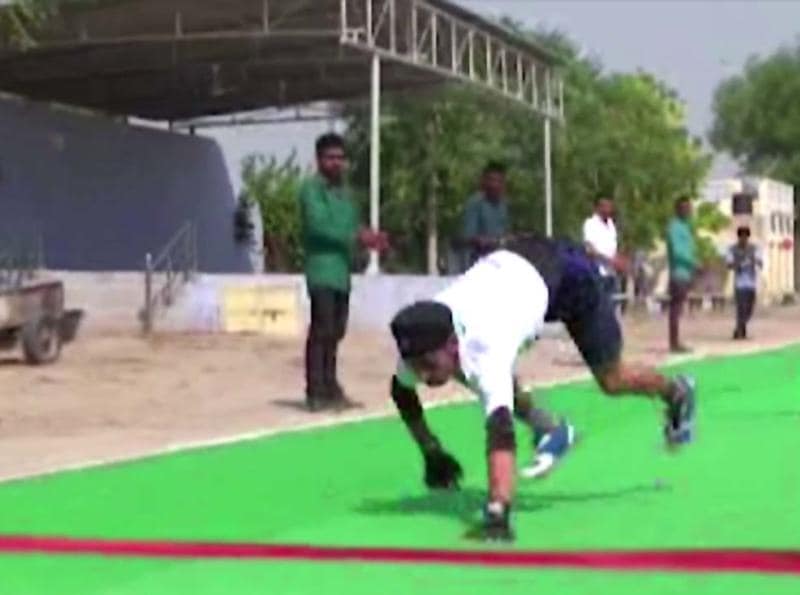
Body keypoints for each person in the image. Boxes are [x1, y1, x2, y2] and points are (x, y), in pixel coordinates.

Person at [388, 234, 697, 542]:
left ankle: (676, 392)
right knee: (465, 375)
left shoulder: (486, 349)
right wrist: (431, 450)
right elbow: (401, 391)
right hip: (521, 268)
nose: (424, 375)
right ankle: (550, 428)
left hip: (569, 276)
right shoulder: (423, 339)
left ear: (454, 344)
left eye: (428, 365)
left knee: (612, 380)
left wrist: (498, 511)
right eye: (416, 367)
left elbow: (500, 432)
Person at [299, 133, 388, 412]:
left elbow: (353, 226)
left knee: (336, 331)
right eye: (330, 158)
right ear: (319, 160)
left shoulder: (346, 195)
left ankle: (330, 386)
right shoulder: (310, 190)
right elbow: (318, 226)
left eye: (340, 158)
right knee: (322, 330)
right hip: (321, 269)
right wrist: (356, 237)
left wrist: (371, 237)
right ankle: (316, 391)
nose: (336, 163)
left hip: (341, 273)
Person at [461, 161, 510, 267]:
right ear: (484, 181)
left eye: (499, 181)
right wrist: (487, 241)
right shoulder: (475, 203)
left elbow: (507, 233)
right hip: (479, 260)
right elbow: (468, 236)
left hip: (502, 259)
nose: (495, 185)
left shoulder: (504, 205)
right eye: (491, 180)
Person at [666, 197, 697, 353]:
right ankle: (674, 342)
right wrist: (692, 262)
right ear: (678, 209)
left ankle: (676, 341)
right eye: (685, 208)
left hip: (686, 274)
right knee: (676, 308)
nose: (688, 211)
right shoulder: (674, 227)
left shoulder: (686, 227)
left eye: (689, 208)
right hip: (678, 273)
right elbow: (677, 252)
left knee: (679, 308)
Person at [583, 194, 626, 296]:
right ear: (597, 207)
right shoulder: (590, 224)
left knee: (614, 304)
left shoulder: (611, 224)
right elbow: (589, 249)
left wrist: (620, 261)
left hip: (612, 273)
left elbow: (613, 247)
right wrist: (609, 261)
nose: (607, 209)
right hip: (598, 273)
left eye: (609, 206)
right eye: (604, 206)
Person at [726, 226, 762, 340]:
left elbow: (760, 262)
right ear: (738, 237)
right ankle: (740, 330)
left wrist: (756, 261)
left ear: (748, 237)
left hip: (751, 283)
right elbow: (729, 264)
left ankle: (741, 327)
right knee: (741, 308)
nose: (744, 239)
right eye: (741, 237)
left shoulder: (754, 248)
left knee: (749, 309)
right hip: (739, 283)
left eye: (745, 237)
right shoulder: (732, 249)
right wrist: (739, 263)